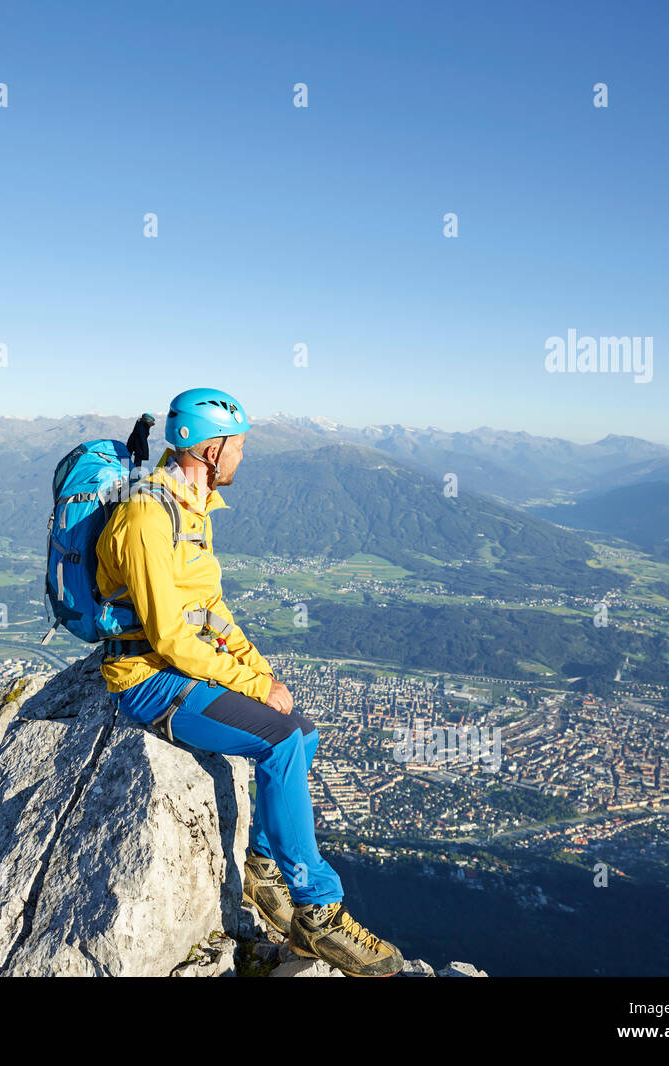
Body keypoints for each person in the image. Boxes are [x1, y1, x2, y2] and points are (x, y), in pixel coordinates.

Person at [95, 387, 404, 976]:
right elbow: (168, 637)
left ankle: (262, 867)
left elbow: (213, 612)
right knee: (281, 740)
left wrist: (260, 672)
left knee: (302, 732)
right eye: (238, 445)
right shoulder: (146, 516)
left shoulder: (191, 508)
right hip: (147, 680)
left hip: (179, 669)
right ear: (210, 450)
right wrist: (252, 687)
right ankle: (318, 909)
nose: (243, 455)